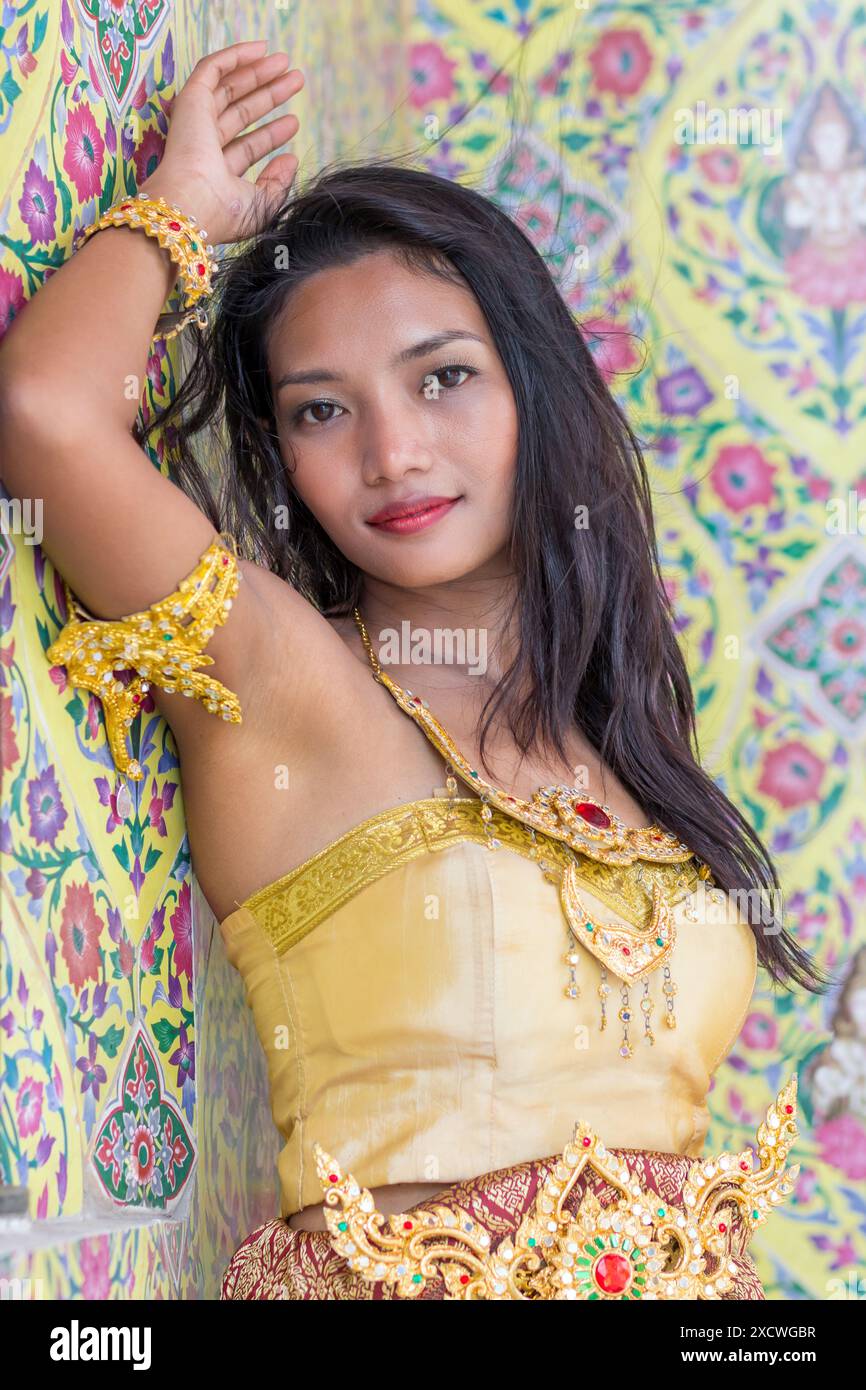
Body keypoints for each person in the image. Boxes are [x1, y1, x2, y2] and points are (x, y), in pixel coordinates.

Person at [0, 40, 831, 1301]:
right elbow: (49, 415)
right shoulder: (290, 682)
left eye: (441, 378)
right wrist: (181, 217)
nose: (393, 451)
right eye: (320, 409)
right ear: (280, 453)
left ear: (530, 390)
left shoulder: (621, 741)